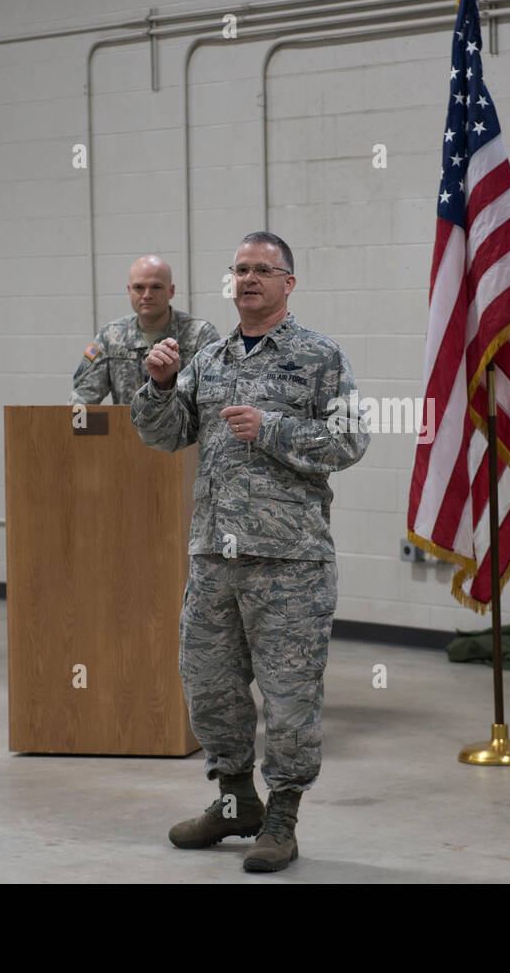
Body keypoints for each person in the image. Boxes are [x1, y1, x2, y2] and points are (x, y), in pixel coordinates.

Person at [130, 231, 368, 873]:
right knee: (208, 688)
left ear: (289, 283)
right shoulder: (209, 358)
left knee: (290, 700)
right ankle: (237, 804)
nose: (248, 279)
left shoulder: (319, 357)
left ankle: (283, 819)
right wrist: (156, 386)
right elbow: (167, 435)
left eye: (263, 270)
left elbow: (351, 441)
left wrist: (274, 429)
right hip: (213, 555)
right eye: (239, 269)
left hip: (290, 562)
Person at [69, 255, 219, 405]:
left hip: (181, 428)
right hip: (123, 427)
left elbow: (214, 397)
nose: (147, 295)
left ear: (171, 291)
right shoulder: (111, 336)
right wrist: (79, 425)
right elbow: (82, 394)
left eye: (156, 287)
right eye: (139, 287)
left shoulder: (200, 334)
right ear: (129, 290)